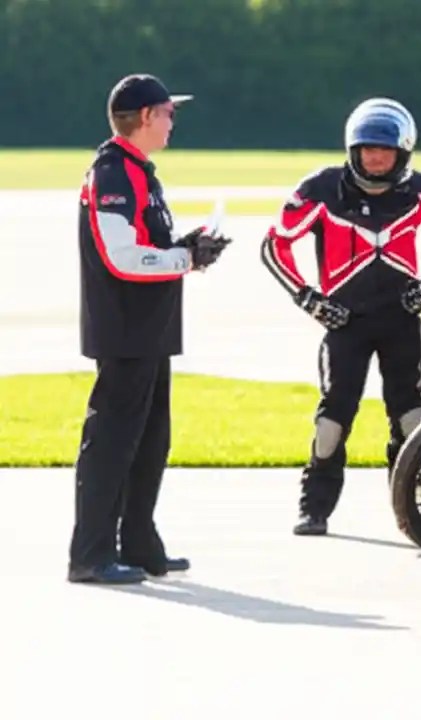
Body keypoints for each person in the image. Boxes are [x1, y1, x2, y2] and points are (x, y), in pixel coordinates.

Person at [260, 98, 421, 536]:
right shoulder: (321, 189)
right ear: (352, 148)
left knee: (411, 418)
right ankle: (314, 507)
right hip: (344, 325)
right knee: (331, 422)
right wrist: (308, 298)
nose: (375, 158)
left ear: (402, 152)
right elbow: (275, 244)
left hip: (402, 322)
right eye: (367, 148)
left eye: (384, 150)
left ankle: (414, 511)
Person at [69, 73, 231, 584]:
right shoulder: (114, 173)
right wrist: (185, 258)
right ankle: (91, 554)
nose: (172, 121)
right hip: (126, 331)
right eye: (167, 113)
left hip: (148, 330)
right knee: (113, 441)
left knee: (149, 440)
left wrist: (188, 246)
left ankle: (138, 544)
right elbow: (121, 257)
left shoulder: (138, 171)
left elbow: (145, 245)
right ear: (145, 117)